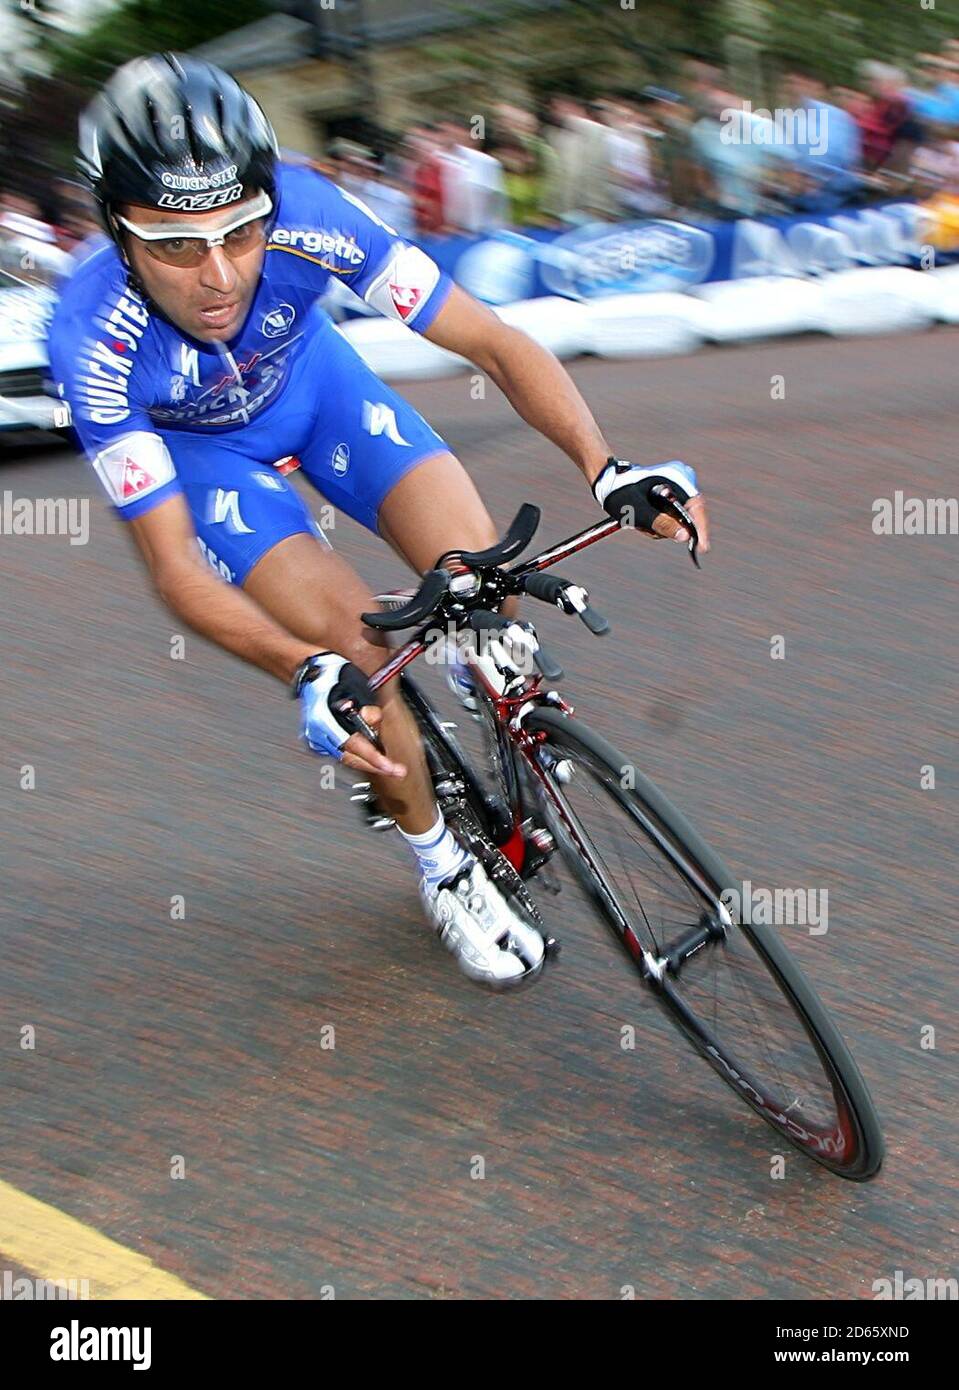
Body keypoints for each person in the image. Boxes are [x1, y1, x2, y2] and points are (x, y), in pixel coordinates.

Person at [48, 54, 709, 988]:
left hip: (317, 391)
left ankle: (496, 695)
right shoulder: (91, 339)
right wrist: (299, 669)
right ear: (115, 229)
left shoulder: (313, 215)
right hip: (207, 455)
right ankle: (442, 866)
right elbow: (174, 570)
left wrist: (606, 468)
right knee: (360, 665)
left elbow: (490, 338)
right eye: (172, 244)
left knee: (482, 574)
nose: (217, 274)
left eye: (240, 232)